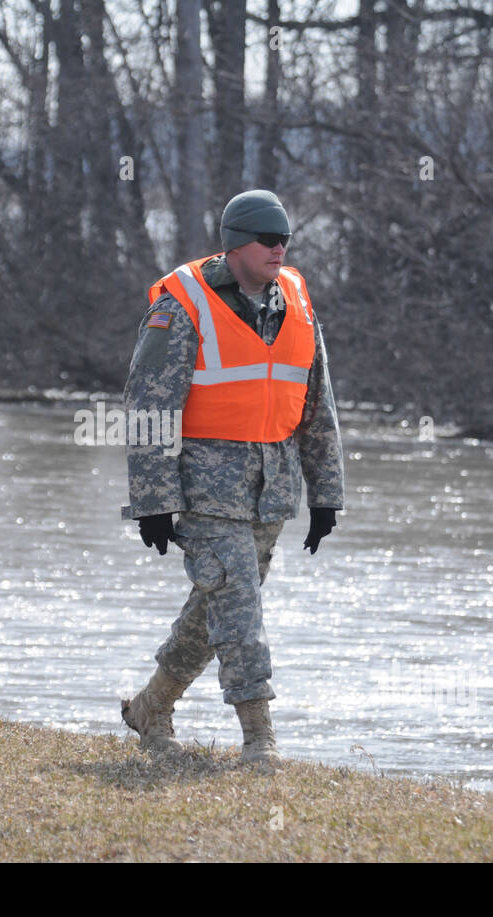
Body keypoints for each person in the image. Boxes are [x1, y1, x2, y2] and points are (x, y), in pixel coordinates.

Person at [120, 189, 345, 764]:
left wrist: (326, 495)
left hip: (273, 491)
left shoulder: (295, 299)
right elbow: (150, 406)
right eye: (268, 240)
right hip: (206, 490)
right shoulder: (183, 303)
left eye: (285, 240)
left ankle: (151, 706)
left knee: (214, 606)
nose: (280, 249)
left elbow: (316, 404)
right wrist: (153, 499)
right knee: (240, 607)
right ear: (237, 244)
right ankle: (259, 738)